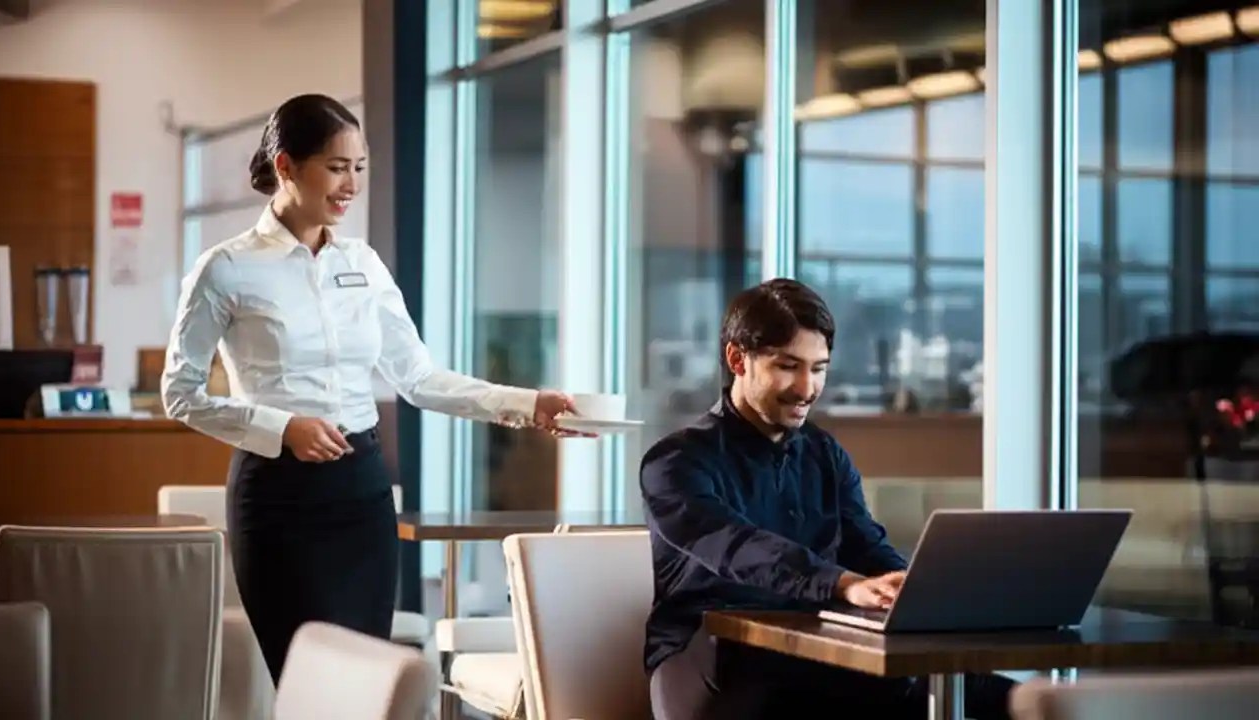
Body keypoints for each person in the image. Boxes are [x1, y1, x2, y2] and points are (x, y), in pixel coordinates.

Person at [162, 93, 583, 682]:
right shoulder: (225, 268)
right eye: (336, 167)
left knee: (361, 684)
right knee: (307, 685)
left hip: (361, 493)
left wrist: (526, 403)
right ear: (286, 166)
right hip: (277, 497)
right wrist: (283, 429)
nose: (350, 183)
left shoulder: (364, 264)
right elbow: (181, 393)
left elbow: (419, 378)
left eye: (359, 167)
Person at [640, 279, 1015, 719]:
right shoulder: (674, 462)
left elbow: (866, 545)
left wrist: (907, 589)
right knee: (867, 685)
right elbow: (736, 546)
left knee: (996, 694)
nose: (806, 388)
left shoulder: (824, 455)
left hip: (814, 655)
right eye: (788, 366)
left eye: (818, 369)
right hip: (709, 665)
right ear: (737, 359)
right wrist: (843, 584)